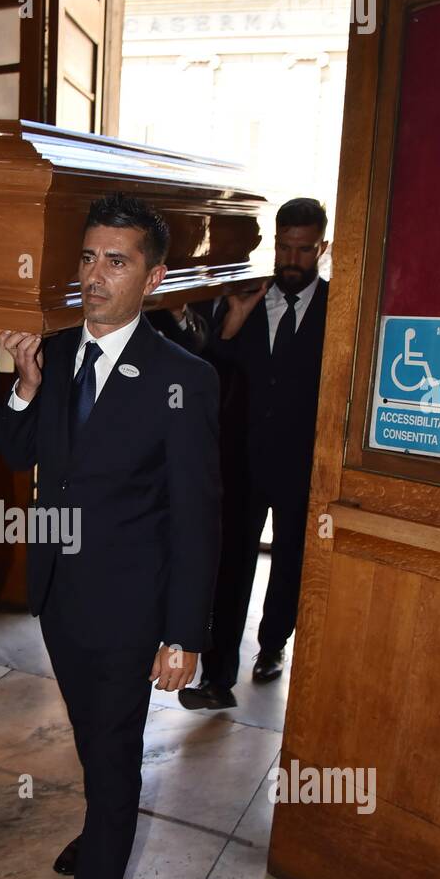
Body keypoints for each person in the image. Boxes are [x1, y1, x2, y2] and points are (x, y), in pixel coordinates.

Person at [1, 192, 221, 879]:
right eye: (89, 257)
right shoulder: (58, 354)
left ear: (153, 277)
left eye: (116, 262)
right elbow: (23, 445)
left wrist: (185, 632)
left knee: (117, 755)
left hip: (131, 605)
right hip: (59, 595)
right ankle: (99, 825)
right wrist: (24, 383)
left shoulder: (181, 380)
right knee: (95, 739)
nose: (95, 276)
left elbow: (197, 517)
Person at [179, 197, 329, 710]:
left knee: (290, 561)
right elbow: (209, 381)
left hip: (301, 465)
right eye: (284, 246)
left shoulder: (338, 307)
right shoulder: (243, 300)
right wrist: (230, 328)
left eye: (304, 249)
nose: (292, 258)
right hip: (239, 462)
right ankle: (217, 676)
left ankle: (272, 646)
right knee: (230, 565)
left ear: (321, 247)